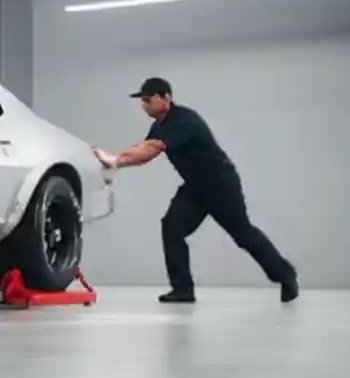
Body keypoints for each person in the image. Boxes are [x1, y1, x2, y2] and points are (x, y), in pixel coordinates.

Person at [91, 77, 298, 303]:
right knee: (172, 227)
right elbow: (142, 150)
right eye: (142, 101)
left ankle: (286, 275)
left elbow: (150, 149)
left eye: (148, 100)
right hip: (195, 187)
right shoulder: (159, 126)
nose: (144, 106)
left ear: (165, 98)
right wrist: (115, 161)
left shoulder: (184, 120)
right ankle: (183, 290)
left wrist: (115, 160)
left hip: (220, 185)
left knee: (243, 235)